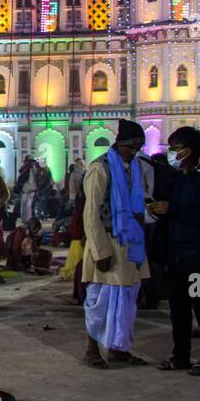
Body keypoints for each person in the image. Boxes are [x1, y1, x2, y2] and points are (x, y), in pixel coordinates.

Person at [81, 119, 151, 369]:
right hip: (108, 243)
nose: (134, 152)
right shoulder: (100, 168)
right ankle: (92, 351)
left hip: (131, 243)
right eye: (131, 147)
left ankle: (119, 349)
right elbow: (90, 214)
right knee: (100, 300)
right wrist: (101, 251)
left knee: (127, 300)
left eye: (138, 148)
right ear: (119, 144)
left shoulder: (136, 168)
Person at [151, 127, 200, 376]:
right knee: (178, 309)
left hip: (197, 258)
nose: (171, 153)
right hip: (178, 256)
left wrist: (172, 209)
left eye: (175, 148)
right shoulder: (178, 180)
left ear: (189, 151)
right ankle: (180, 356)